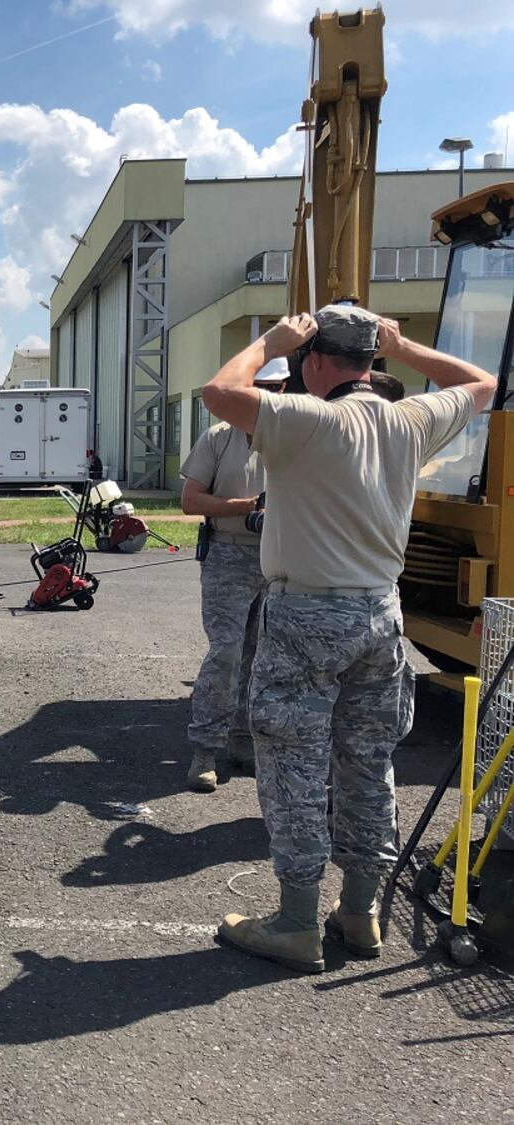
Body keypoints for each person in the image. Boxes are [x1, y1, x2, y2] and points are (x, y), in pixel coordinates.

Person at [201, 305, 495, 973]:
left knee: (294, 767)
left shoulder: (307, 418)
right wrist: (406, 345)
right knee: (369, 766)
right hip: (379, 617)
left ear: (313, 362)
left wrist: (271, 342)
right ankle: (361, 914)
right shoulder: (410, 421)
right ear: (372, 362)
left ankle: (297, 923)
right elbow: (481, 383)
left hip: (305, 613)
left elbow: (220, 393)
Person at [178, 359, 288, 793]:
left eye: (276, 388)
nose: (267, 396)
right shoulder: (220, 438)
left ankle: (244, 742)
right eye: (259, 387)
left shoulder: (294, 436)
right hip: (228, 555)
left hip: (279, 557)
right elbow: (191, 502)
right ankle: (205, 749)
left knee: (263, 657)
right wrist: (247, 508)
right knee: (225, 653)